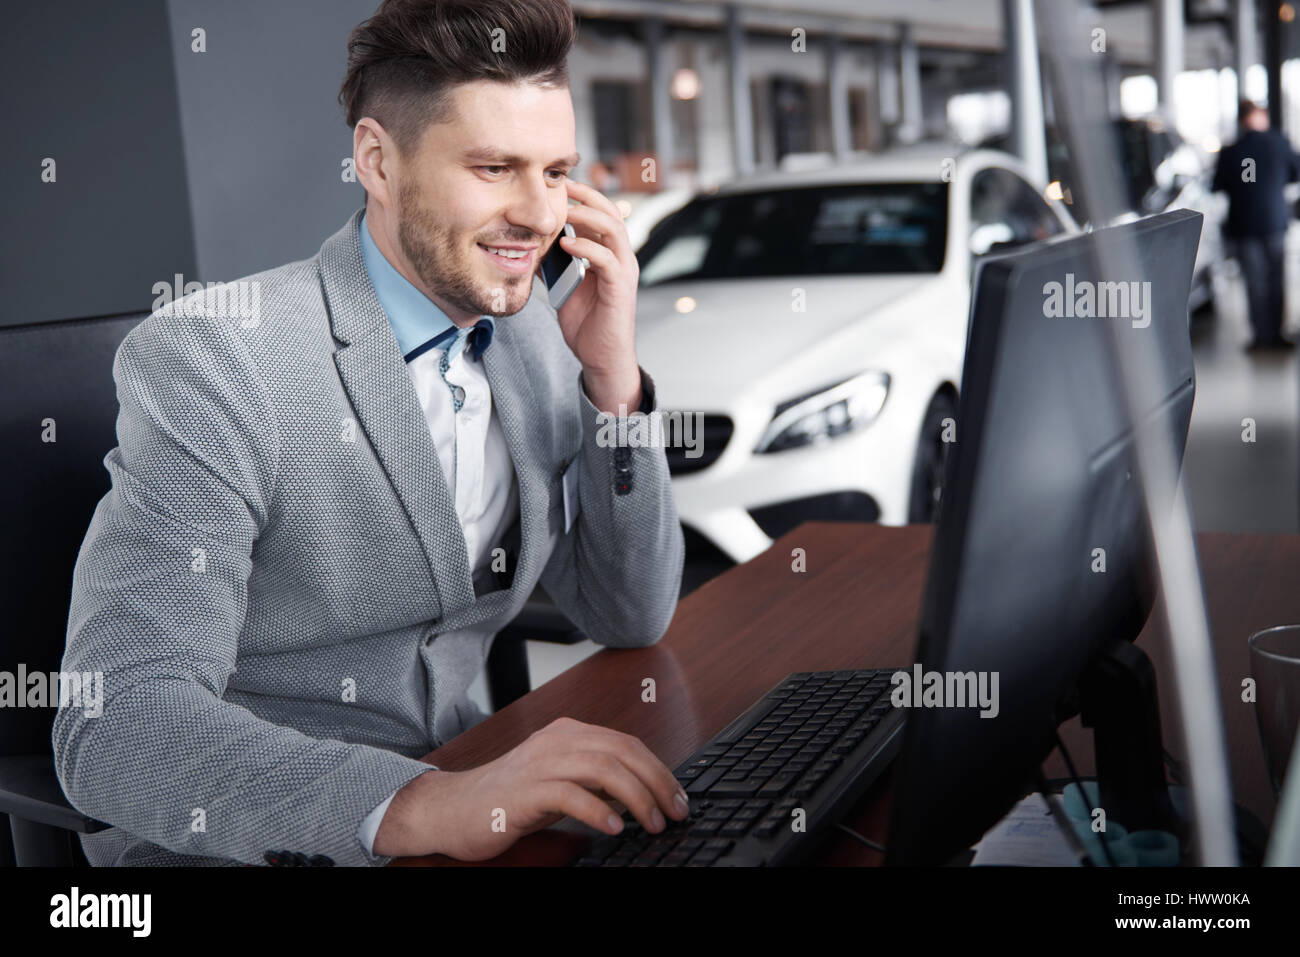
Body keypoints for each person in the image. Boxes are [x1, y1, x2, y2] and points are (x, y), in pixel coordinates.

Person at [53, 0, 688, 867]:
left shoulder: (535, 329)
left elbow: (628, 610)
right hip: (249, 844)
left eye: (555, 171)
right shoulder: (215, 359)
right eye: (496, 167)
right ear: (377, 161)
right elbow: (115, 723)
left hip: (465, 788)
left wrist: (614, 385)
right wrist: (425, 804)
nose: (539, 215)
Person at [1212, 99, 1300, 350]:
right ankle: (1277, 334)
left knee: (1254, 282)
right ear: (1260, 117)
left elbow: (1217, 184)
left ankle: (1261, 337)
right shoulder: (1279, 144)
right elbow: (1296, 172)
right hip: (1274, 222)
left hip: (1244, 224)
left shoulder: (1232, 151)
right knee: (1275, 279)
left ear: (1241, 120)